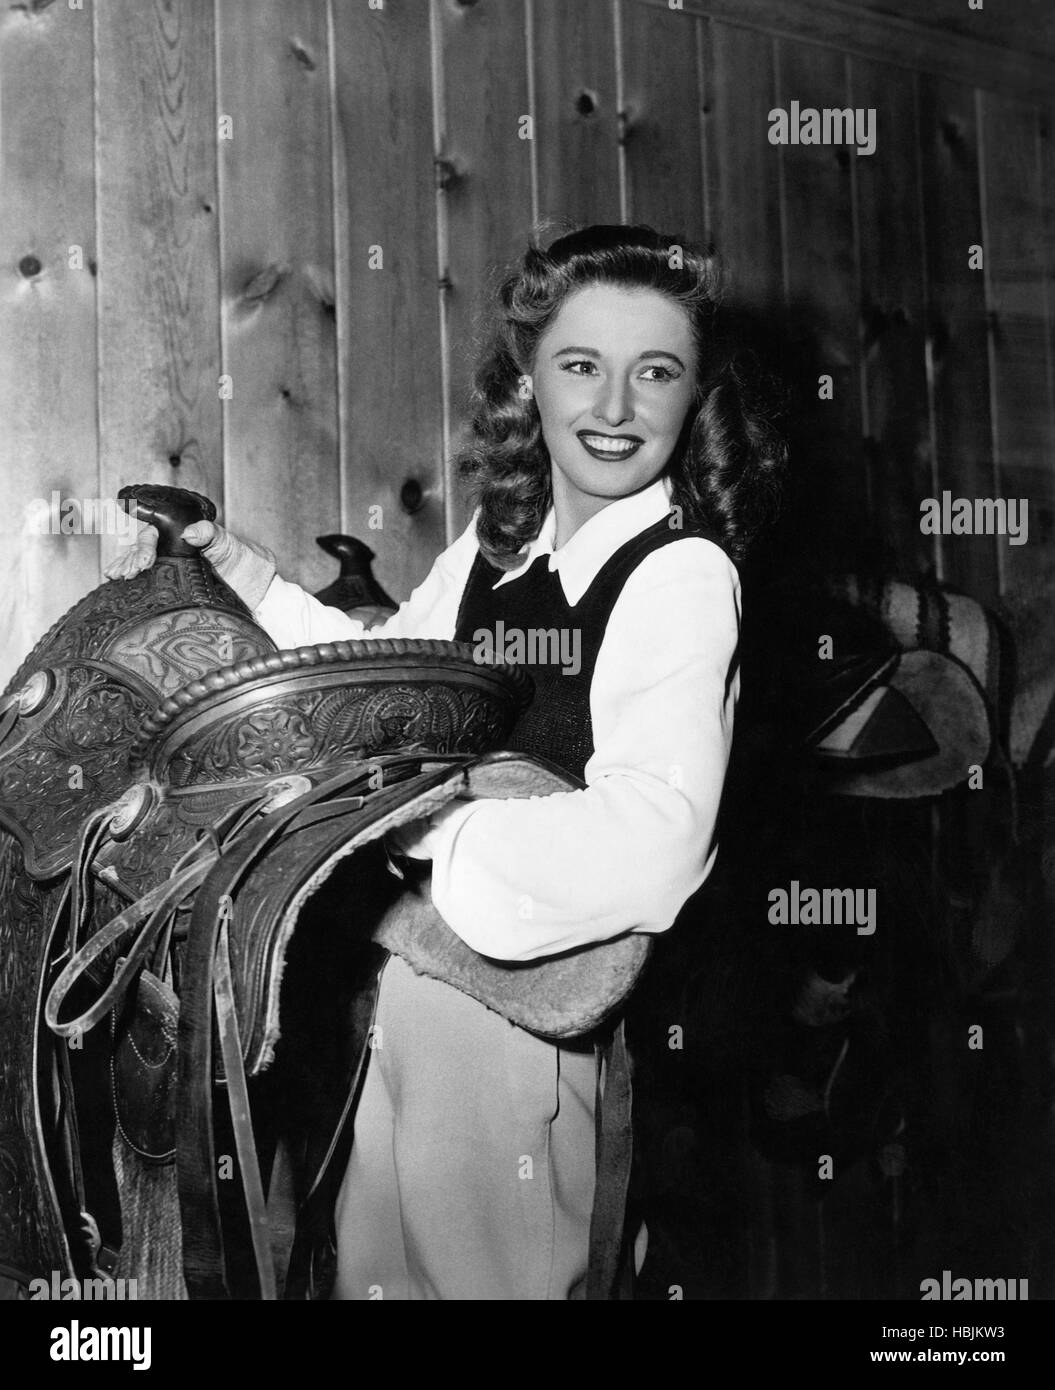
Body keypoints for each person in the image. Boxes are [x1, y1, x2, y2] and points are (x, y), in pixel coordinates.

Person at [107, 223, 786, 1300]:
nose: (613, 407)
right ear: (530, 379)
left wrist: (422, 823)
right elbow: (378, 680)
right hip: (406, 982)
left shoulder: (678, 570)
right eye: (579, 366)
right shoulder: (497, 547)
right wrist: (235, 569)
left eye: (653, 372)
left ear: (693, 396)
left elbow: (656, 841)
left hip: (519, 1015)